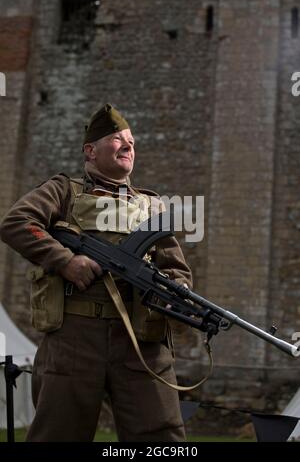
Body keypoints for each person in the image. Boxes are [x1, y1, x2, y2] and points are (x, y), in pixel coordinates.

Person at [0, 103, 192, 442]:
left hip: (141, 341)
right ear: (90, 150)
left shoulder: (153, 206)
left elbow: (176, 269)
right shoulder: (63, 191)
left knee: (162, 440)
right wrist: (65, 260)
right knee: (57, 435)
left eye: (132, 141)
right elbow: (16, 223)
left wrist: (177, 294)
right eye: (118, 139)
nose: (129, 146)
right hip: (74, 339)